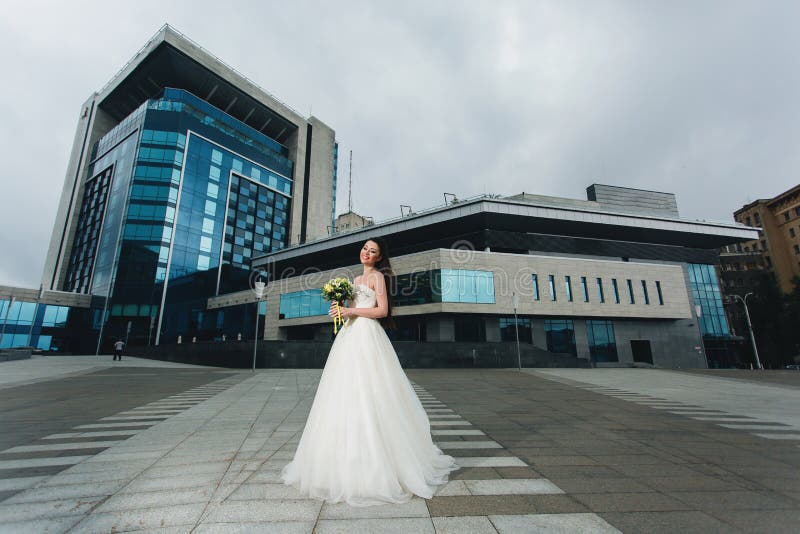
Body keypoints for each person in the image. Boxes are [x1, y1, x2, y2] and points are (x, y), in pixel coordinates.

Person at [281, 237, 458, 506]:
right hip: (349, 335)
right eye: (365, 248)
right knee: (343, 392)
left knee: (371, 389)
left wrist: (351, 309)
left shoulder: (377, 277)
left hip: (367, 336)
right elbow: (351, 311)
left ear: (378, 257)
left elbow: (382, 310)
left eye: (372, 251)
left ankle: (380, 461)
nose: (367, 253)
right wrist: (339, 311)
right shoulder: (353, 279)